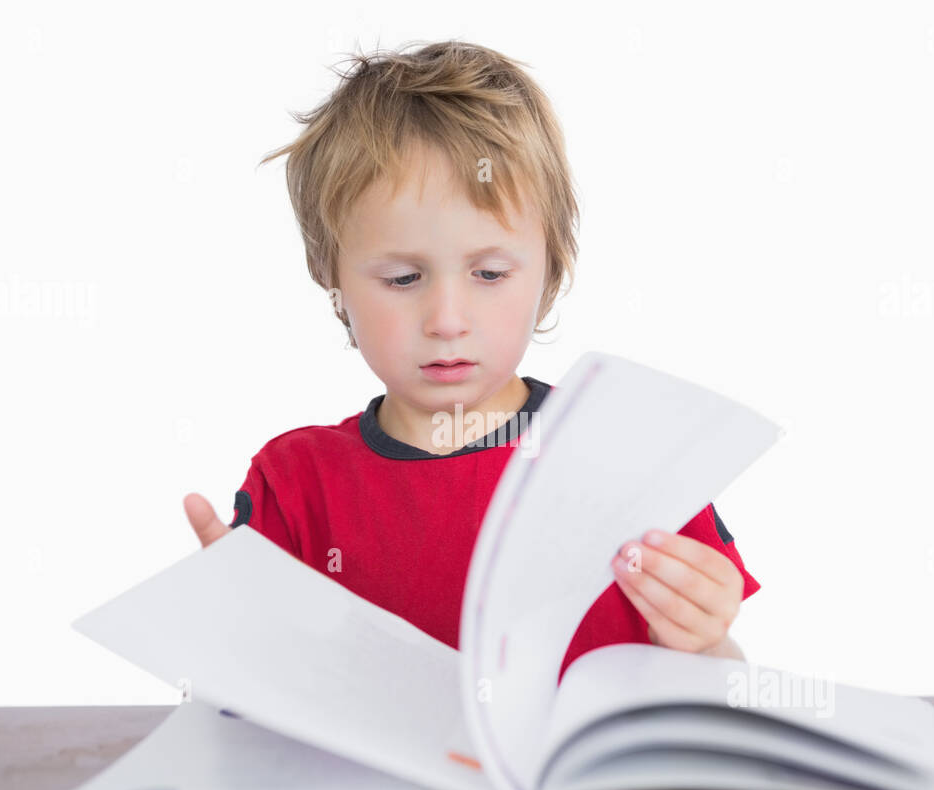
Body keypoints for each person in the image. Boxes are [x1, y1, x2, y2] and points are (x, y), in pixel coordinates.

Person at [181, 40, 760, 684]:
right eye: (403, 278)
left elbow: (725, 683)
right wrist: (229, 639)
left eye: (488, 272)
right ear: (331, 280)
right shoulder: (296, 485)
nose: (448, 319)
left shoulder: (633, 461)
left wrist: (707, 644)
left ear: (549, 270)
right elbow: (241, 712)